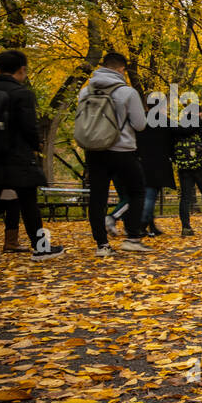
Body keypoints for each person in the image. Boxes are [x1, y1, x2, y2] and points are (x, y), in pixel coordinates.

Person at [77, 52, 150, 256]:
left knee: (97, 197)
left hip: (94, 150)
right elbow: (140, 124)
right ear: (121, 69)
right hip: (122, 150)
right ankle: (133, 238)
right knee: (137, 191)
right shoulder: (127, 92)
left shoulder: (85, 91)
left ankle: (102, 245)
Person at [0, 50, 65, 258]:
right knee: (29, 204)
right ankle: (41, 248)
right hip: (17, 157)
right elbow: (28, 127)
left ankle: (29, 245)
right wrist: (37, 144)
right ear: (22, 69)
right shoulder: (22, 93)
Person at [169, 118, 202, 236]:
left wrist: (178, 161)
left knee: (185, 198)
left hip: (184, 169)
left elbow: (171, 148)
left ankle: (186, 227)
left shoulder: (178, 130)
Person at [136, 110, 174, 236]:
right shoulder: (164, 120)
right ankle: (141, 225)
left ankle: (151, 226)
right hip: (158, 163)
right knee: (150, 195)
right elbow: (179, 131)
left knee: (149, 194)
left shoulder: (140, 119)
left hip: (142, 161)